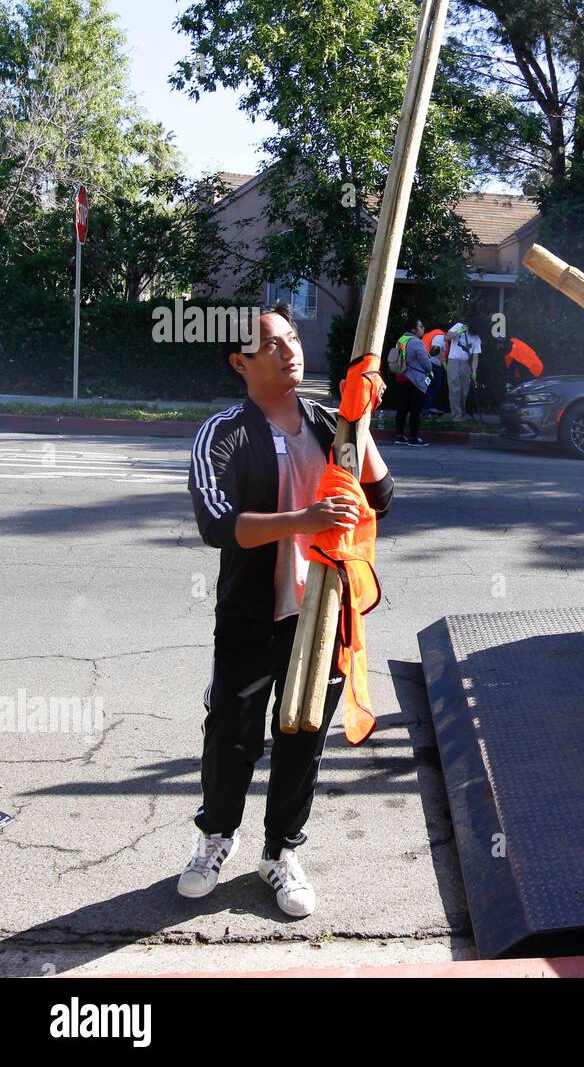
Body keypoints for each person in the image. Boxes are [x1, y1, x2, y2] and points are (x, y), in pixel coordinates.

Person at [182, 305, 394, 917]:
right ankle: (216, 838)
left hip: (323, 613)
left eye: (293, 338)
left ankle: (281, 853)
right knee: (231, 734)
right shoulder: (224, 432)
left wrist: (363, 421)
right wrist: (303, 521)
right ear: (239, 362)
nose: (288, 350)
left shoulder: (330, 424)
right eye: (270, 345)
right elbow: (217, 525)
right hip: (252, 617)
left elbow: (382, 495)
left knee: (302, 736)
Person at [388, 315, 433, 446]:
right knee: (415, 409)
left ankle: (400, 436)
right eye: (420, 326)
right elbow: (425, 362)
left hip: (401, 377)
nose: (423, 328)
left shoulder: (401, 339)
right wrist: (430, 369)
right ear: (413, 329)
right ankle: (413, 438)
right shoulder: (416, 342)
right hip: (414, 380)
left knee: (403, 407)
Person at [445, 315, 484, 421]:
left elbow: (475, 358)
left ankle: (462, 413)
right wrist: (459, 332)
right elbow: (446, 337)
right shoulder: (459, 326)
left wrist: (474, 371)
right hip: (453, 361)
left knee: (464, 390)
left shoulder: (477, 338)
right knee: (454, 388)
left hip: (466, 364)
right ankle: (456, 416)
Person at [421, 324, 448, 417]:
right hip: (433, 364)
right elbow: (436, 349)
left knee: (431, 386)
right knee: (434, 386)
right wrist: (445, 364)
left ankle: (428, 409)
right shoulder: (440, 337)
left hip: (429, 363)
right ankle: (428, 408)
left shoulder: (436, 335)